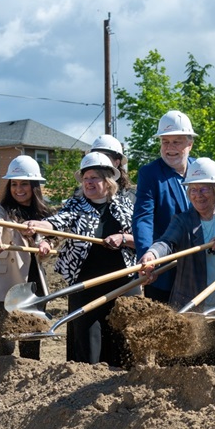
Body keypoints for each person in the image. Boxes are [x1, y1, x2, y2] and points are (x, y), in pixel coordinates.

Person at [28, 152, 136, 367]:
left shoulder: (126, 205)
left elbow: (145, 239)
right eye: (85, 178)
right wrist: (42, 227)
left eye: (94, 177)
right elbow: (59, 220)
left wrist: (123, 238)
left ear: (108, 180)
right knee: (88, 342)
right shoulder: (76, 206)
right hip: (86, 284)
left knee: (123, 342)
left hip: (123, 282)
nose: (89, 183)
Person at [140, 157, 215, 366]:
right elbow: (165, 242)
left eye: (204, 189)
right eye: (193, 190)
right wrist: (152, 255)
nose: (198, 195)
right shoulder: (183, 221)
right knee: (184, 364)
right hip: (190, 305)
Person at [0, 155, 52, 360]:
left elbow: (48, 240)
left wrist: (45, 244)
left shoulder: (44, 216)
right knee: (5, 344)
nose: (18, 189)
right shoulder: (1, 209)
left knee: (30, 344)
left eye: (24, 184)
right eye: (14, 184)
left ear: (34, 186)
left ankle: (26, 386)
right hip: (5, 285)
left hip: (33, 284)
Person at [133, 110, 197, 304]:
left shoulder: (202, 169)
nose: (170, 148)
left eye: (176, 142)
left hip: (201, 269)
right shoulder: (150, 174)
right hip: (164, 270)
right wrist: (147, 255)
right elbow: (144, 217)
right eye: (165, 142)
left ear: (190, 144)